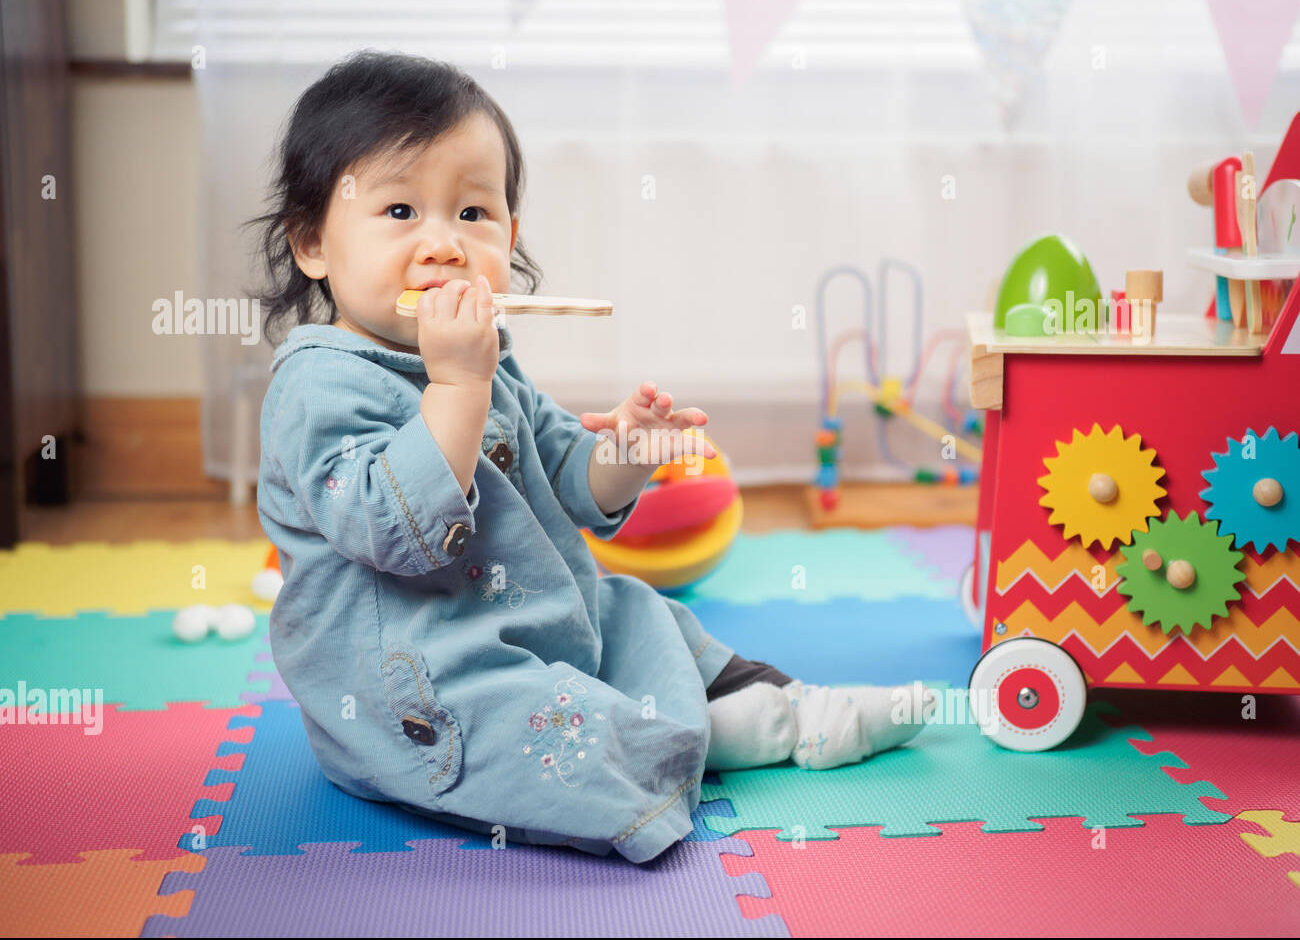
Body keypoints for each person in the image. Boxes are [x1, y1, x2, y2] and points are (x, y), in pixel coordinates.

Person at [254, 50, 935, 864]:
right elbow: (393, 530)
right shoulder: (320, 385)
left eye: (473, 214)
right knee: (542, 722)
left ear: (510, 235)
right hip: (417, 688)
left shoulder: (489, 358)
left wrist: (629, 451)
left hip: (533, 620)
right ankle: (707, 735)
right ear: (312, 244)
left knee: (639, 611)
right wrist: (456, 385)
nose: (443, 245)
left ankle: (779, 705)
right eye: (400, 210)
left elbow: (571, 477)